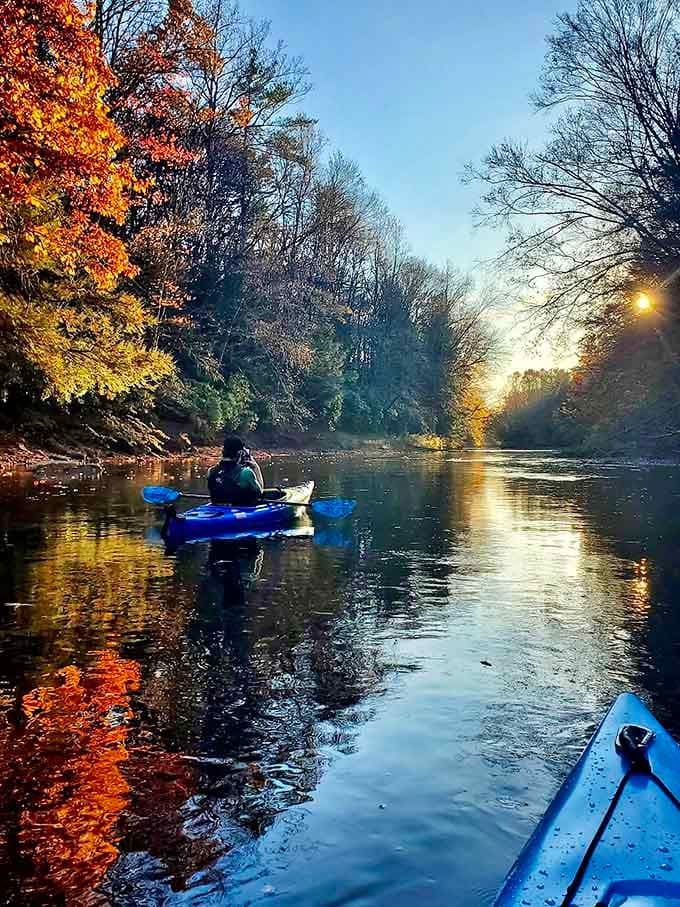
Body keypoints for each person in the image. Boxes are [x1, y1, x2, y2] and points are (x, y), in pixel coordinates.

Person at [208, 436, 265, 505]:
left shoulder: (211, 471)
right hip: (240, 508)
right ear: (239, 453)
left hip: (217, 507)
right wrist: (256, 468)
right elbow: (260, 492)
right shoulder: (246, 472)